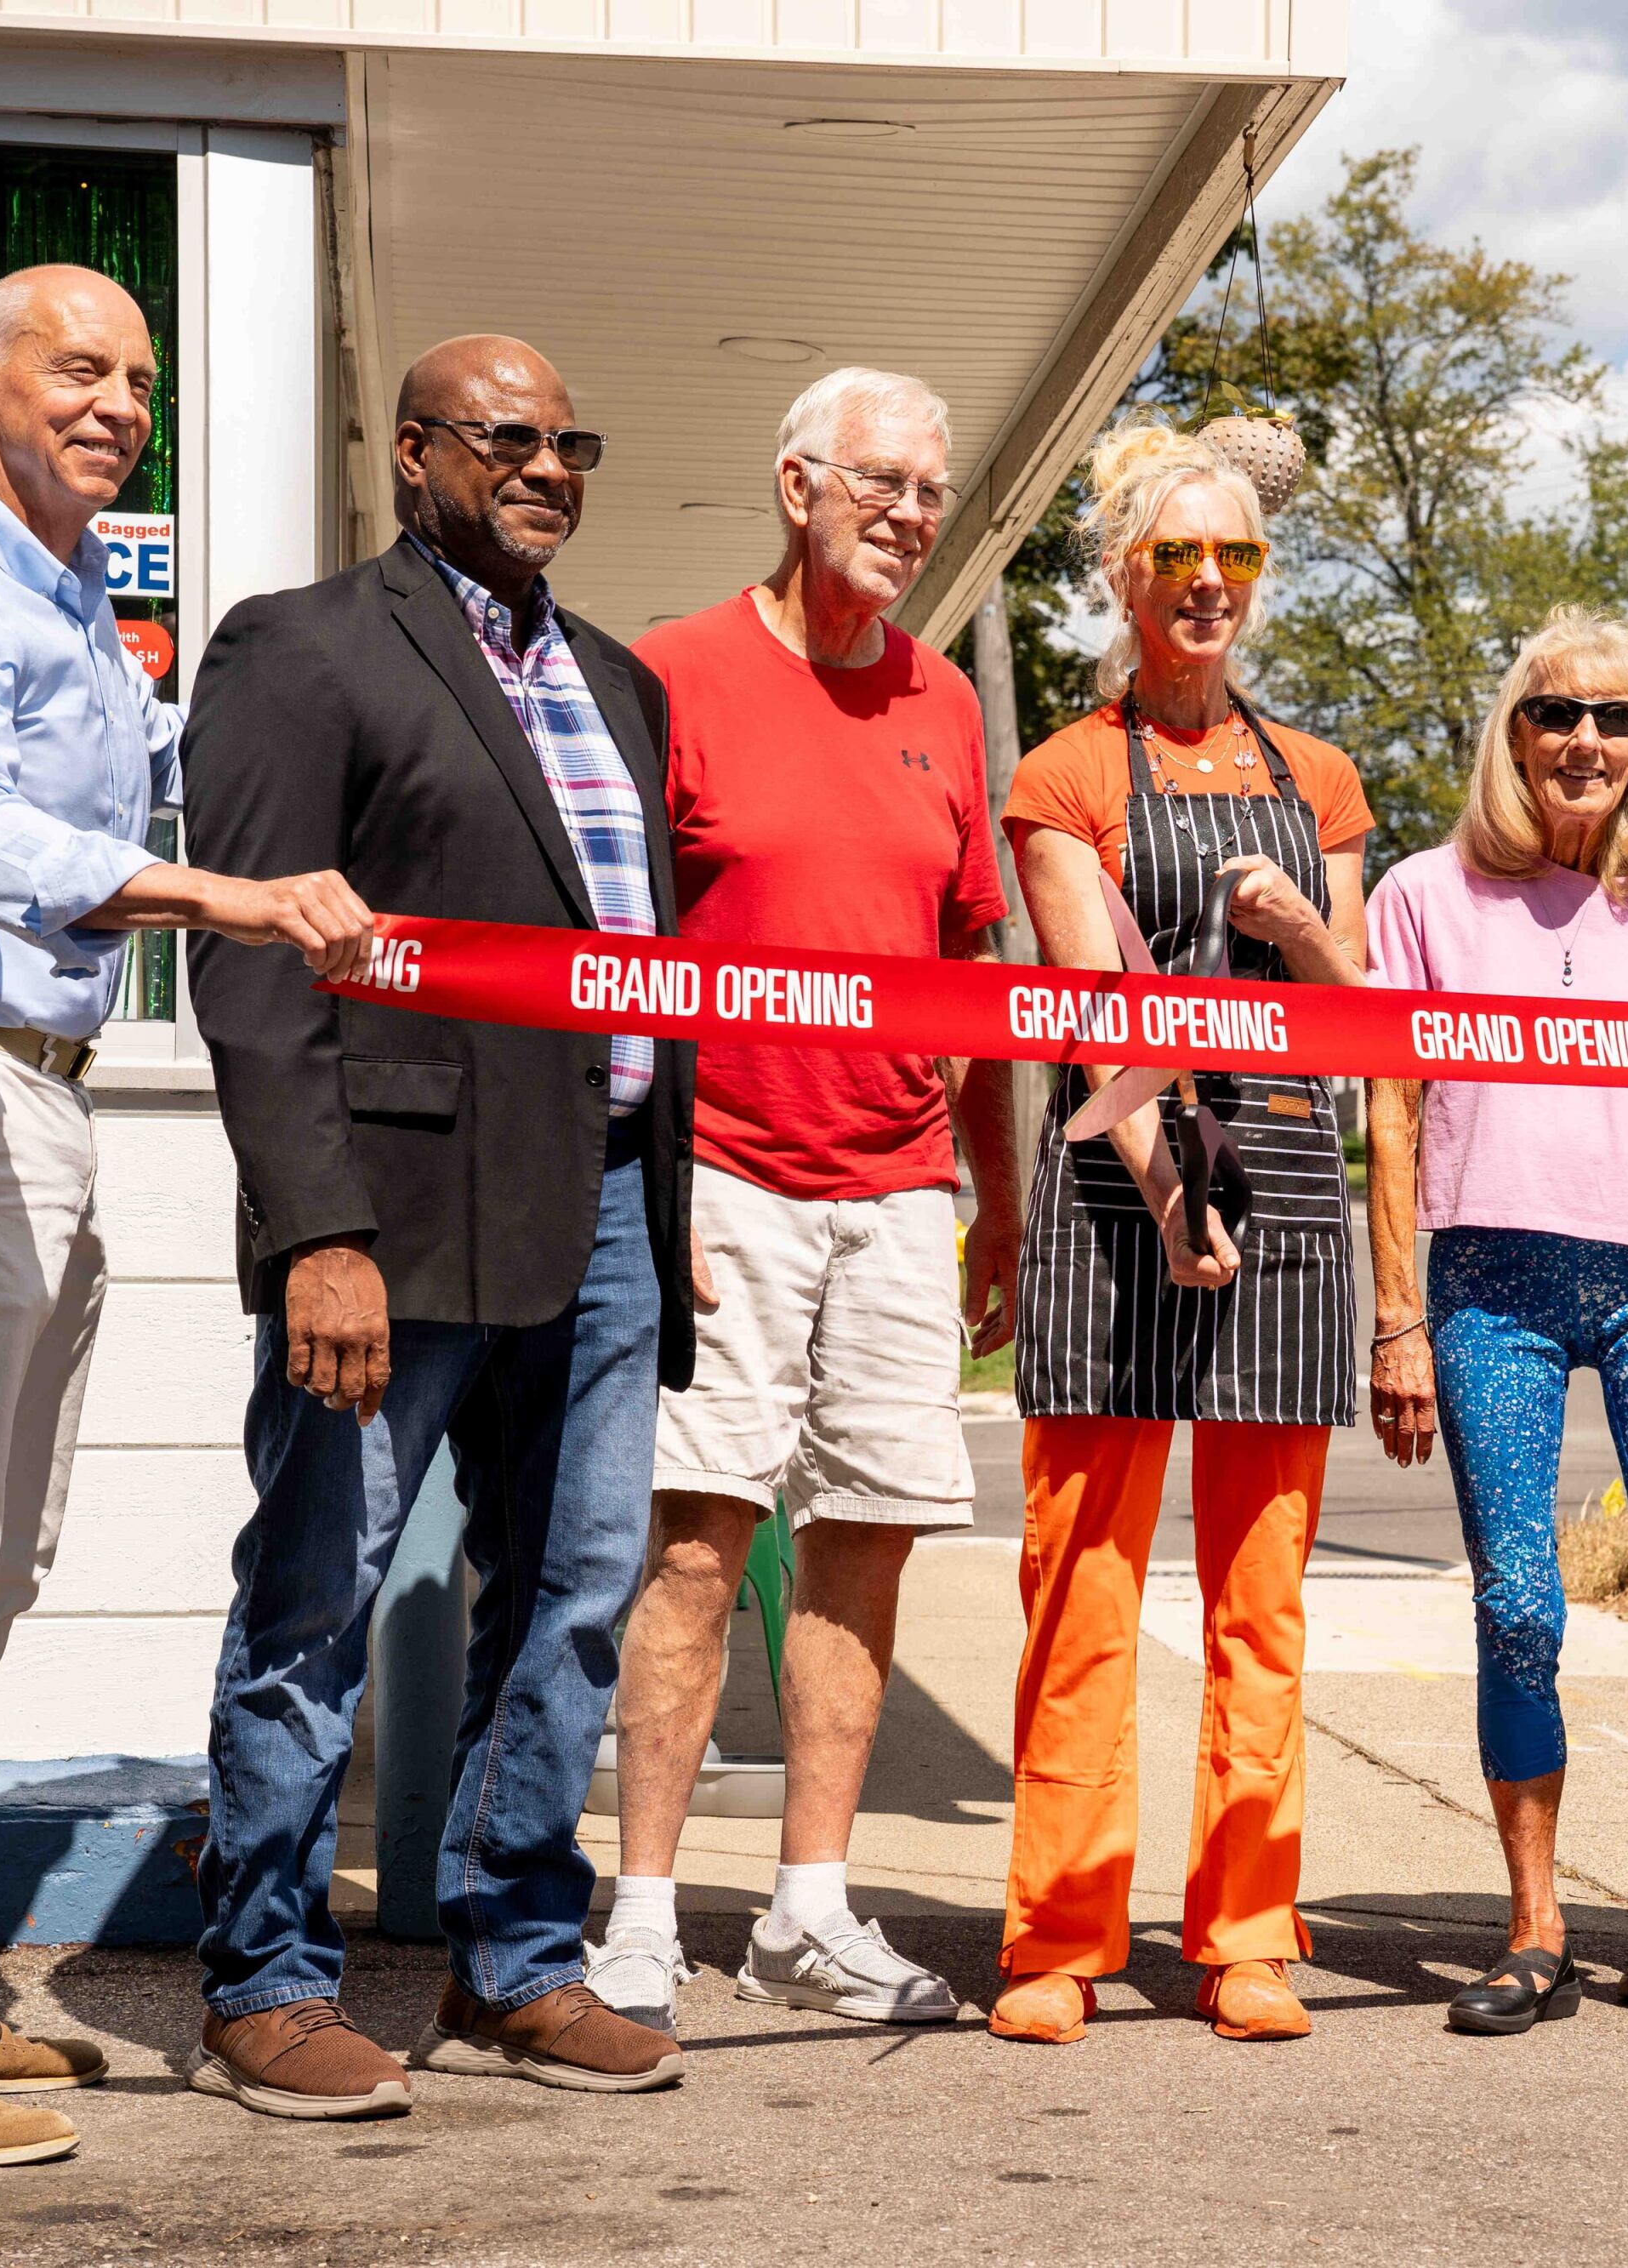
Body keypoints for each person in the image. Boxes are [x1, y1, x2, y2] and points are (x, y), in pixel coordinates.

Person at [0, 265, 376, 2170]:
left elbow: (164, 786)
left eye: (137, 380)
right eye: (75, 368)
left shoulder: (69, 602)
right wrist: (229, 899)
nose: (114, 403)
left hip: (26, 1096)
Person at [180, 334, 698, 2116]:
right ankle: (262, 1975)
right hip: (392, 1219)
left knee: (568, 1594)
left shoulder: (620, 682)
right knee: (319, 1589)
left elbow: (631, 965)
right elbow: (250, 970)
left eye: (573, 439)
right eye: (507, 436)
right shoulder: (300, 646)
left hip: (610, 1206)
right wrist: (313, 1226)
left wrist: (667, 1194)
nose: (548, 465)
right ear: (413, 454)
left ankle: (513, 1959)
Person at [589, 369, 1018, 2033]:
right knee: (694, 1545)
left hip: (901, 1193)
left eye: (931, 488)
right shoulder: (671, 673)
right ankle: (634, 1913)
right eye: (883, 482)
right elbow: (607, 954)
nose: (911, 513)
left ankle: (807, 1911)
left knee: (865, 1544)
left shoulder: (940, 702)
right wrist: (644, 1173)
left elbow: (970, 961)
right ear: (796, 484)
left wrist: (998, 1198)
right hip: (720, 1181)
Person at [988, 423, 1372, 2047]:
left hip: (1286, 1193)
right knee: (1080, 1585)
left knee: (1260, 1600)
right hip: (1114, 1187)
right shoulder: (1065, 772)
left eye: (1237, 558)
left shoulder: (1325, 781)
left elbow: (1361, 1028)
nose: (1209, 584)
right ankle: (1058, 1936)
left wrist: (1298, 928)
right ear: (1122, 577)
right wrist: (1163, 1194)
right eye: (1175, 559)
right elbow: (1100, 1014)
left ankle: (1250, 1930)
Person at [1363, 609, 1628, 2057]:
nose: (1585, 742)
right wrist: (1400, 1316)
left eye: (1616, 719)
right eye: (1555, 714)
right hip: (1492, 1279)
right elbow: (1395, 1114)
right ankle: (1536, 1928)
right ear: (1513, 733)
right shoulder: (1426, 895)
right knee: (1519, 1603)